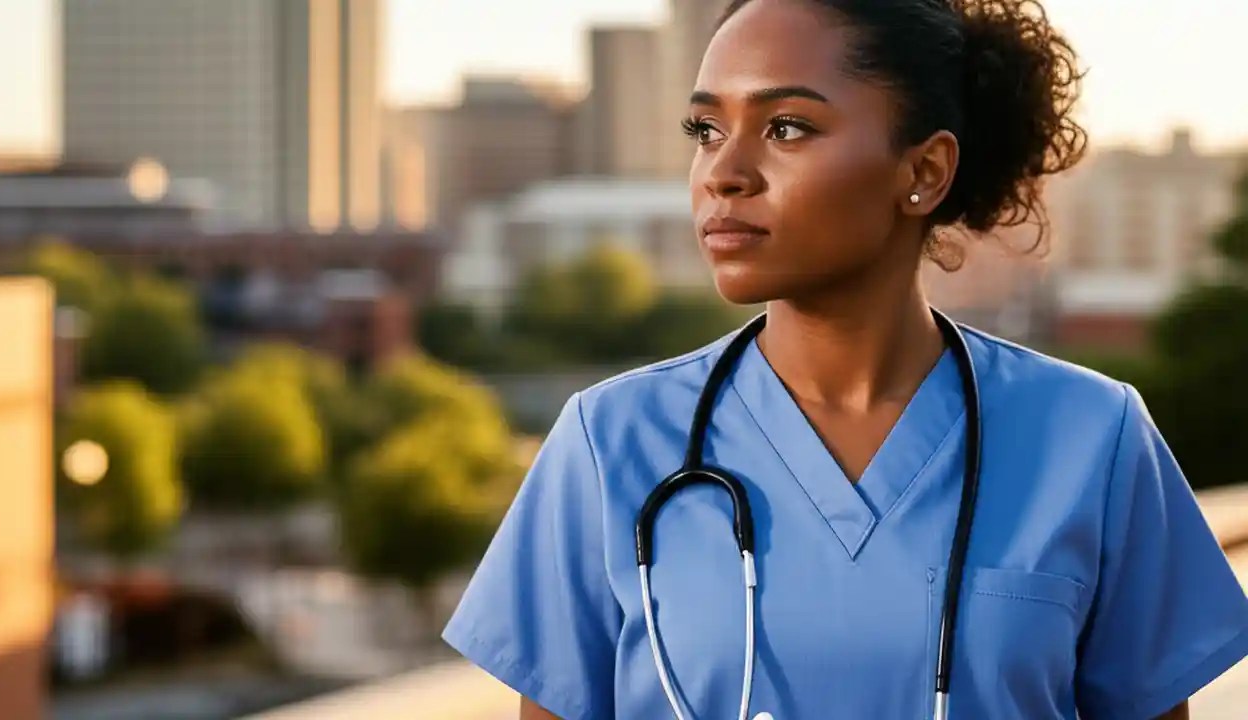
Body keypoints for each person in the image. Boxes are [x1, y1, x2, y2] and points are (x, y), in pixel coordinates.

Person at [441, 0, 1248, 718]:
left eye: (786, 127)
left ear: (924, 171)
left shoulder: (1092, 438)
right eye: (706, 130)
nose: (724, 173)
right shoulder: (609, 442)